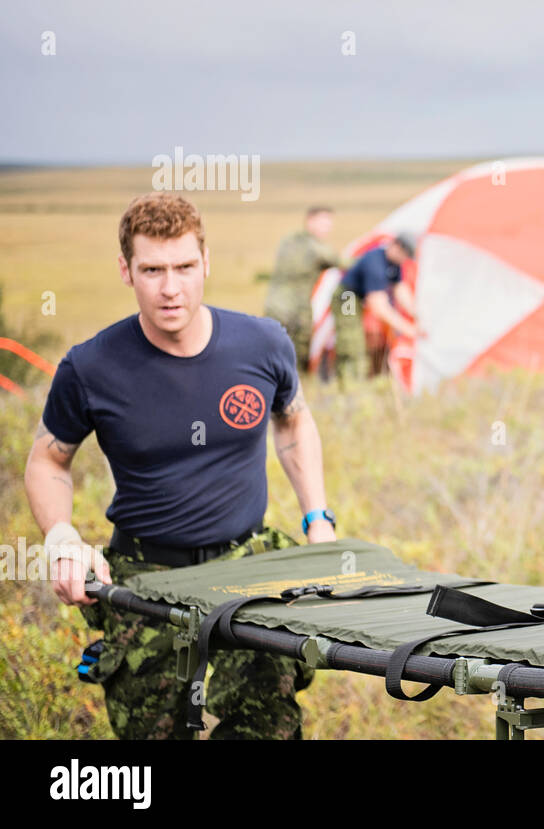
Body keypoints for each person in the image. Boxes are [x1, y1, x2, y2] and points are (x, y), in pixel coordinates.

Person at [24, 191, 338, 739]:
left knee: (267, 727)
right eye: (152, 270)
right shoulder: (91, 366)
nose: (171, 288)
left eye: (185, 267)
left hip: (249, 568)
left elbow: (292, 421)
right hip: (146, 577)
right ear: (126, 270)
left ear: (206, 262)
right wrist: (60, 536)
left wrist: (318, 521)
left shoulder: (262, 342)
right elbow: (50, 458)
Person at [330, 232, 420, 382]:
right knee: (351, 340)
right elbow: (378, 305)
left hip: (361, 298)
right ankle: (348, 382)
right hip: (347, 297)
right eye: (405, 255)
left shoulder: (395, 264)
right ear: (397, 247)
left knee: (368, 339)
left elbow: (400, 289)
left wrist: (416, 314)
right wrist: (407, 329)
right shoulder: (375, 263)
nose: (405, 261)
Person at [264, 206, 343, 372]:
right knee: (296, 361)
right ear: (310, 221)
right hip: (296, 311)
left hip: (273, 307)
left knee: (273, 355)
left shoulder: (288, 241)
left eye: (329, 225)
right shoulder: (315, 247)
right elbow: (342, 262)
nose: (327, 229)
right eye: (323, 223)